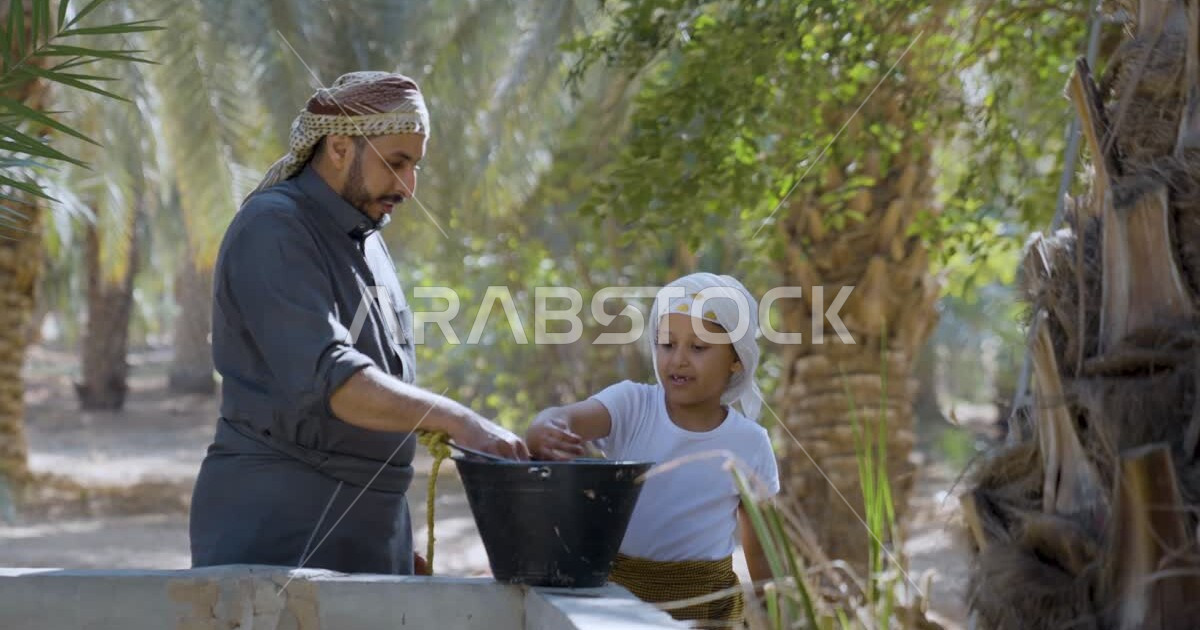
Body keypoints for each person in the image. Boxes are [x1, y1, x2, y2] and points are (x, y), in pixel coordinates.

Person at [190, 71, 528, 576]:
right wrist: (460, 421)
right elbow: (336, 385)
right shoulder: (274, 227)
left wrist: (388, 539)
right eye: (396, 163)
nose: (408, 187)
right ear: (341, 147)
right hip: (282, 530)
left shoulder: (367, 235)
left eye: (415, 166)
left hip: (369, 530)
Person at [527, 272, 779, 625]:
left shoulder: (751, 443)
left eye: (699, 347)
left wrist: (778, 615)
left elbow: (763, 556)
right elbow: (565, 418)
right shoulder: (632, 405)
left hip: (709, 610)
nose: (678, 360)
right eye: (666, 344)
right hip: (621, 602)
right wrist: (545, 427)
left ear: (737, 358)